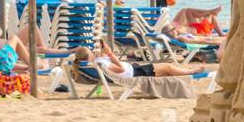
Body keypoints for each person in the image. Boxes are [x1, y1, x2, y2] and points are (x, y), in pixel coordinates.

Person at [73, 45, 206, 78]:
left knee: (165, 71)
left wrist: (104, 51)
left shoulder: (95, 62)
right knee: (168, 67)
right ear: (89, 55)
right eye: (91, 51)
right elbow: (121, 70)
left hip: (134, 69)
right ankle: (191, 72)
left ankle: (187, 73)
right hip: (134, 73)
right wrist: (110, 54)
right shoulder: (102, 64)